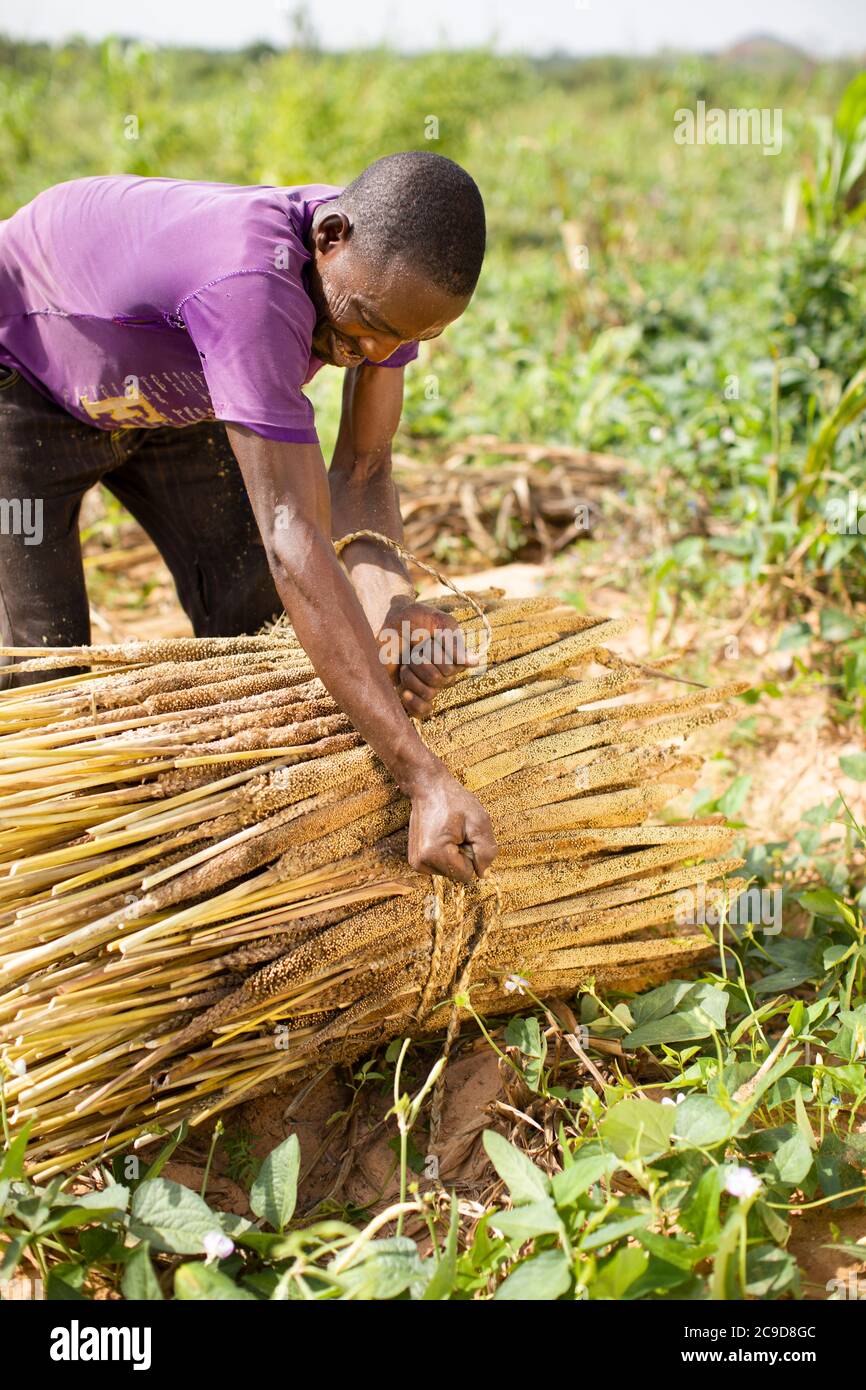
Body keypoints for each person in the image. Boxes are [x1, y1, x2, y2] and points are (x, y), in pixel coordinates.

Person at [0, 150, 497, 884]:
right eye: (366, 327)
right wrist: (421, 774)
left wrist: (393, 607)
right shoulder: (251, 289)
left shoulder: (385, 288)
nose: (376, 353)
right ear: (330, 237)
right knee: (48, 683)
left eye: (405, 339)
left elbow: (364, 470)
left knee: (256, 626)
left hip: (175, 383)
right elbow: (293, 536)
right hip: (29, 371)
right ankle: (35, 892)